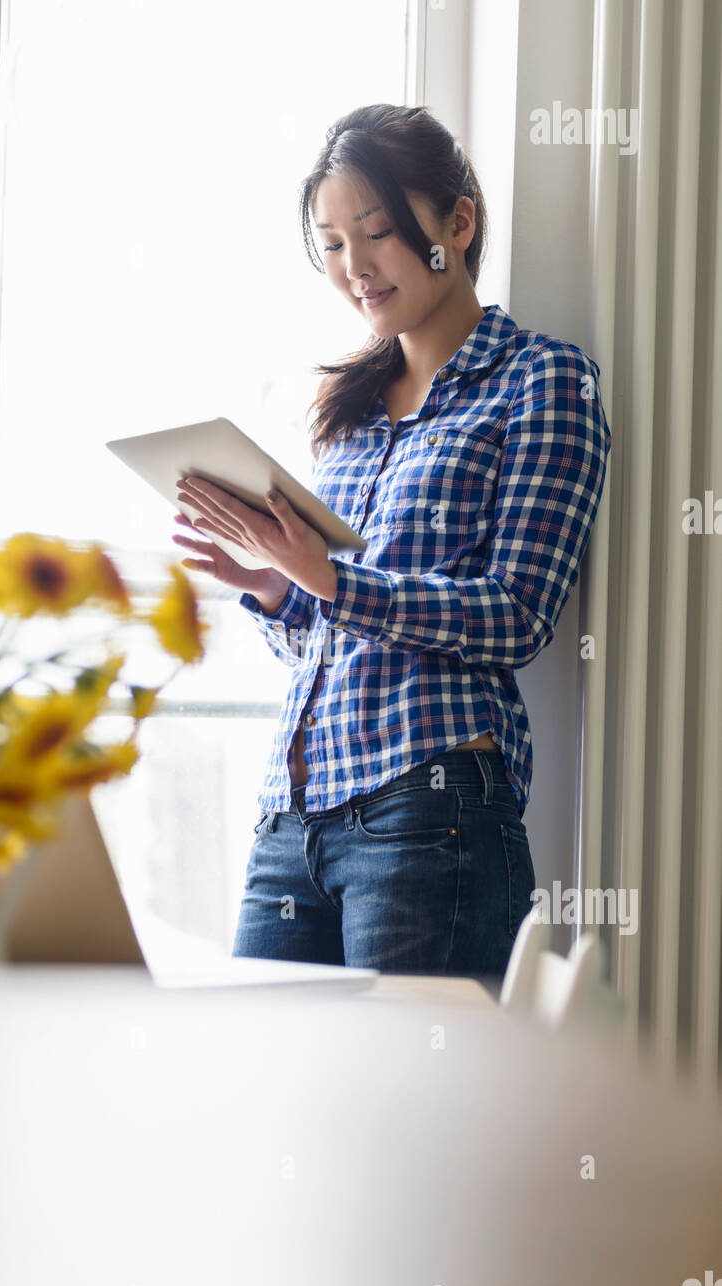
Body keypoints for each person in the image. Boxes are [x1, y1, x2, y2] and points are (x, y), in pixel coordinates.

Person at [171, 104, 611, 976]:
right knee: (266, 1095)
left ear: (458, 222)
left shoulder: (542, 381)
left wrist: (325, 581)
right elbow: (323, 631)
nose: (354, 268)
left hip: (428, 811)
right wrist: (269, 584)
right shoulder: (350, 413)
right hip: (292, 819)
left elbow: (515, 615)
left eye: (375, 233)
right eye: (331, 243)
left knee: (413, 1106)